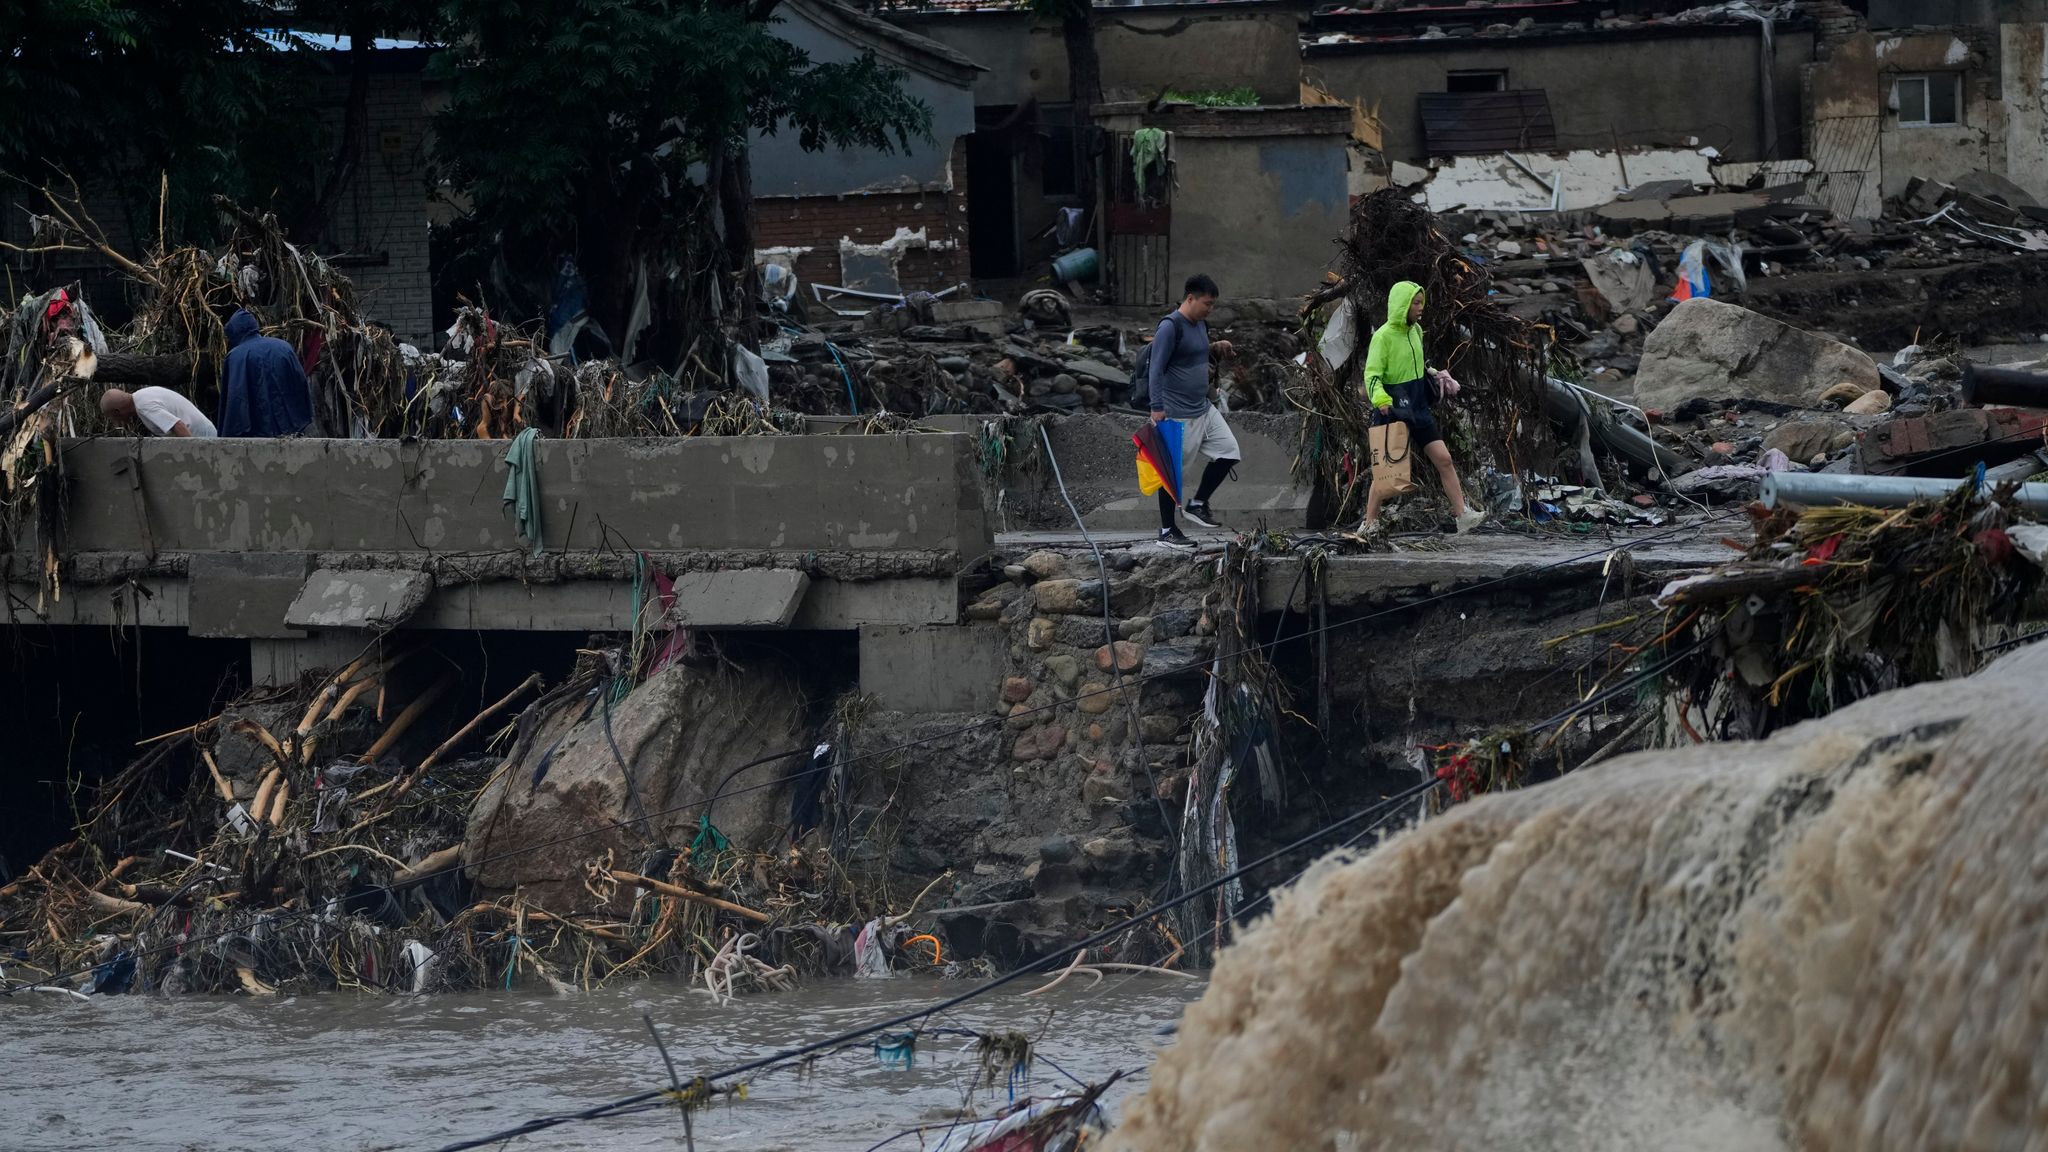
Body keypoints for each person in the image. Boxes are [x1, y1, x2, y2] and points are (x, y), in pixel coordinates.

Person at [1360, 280, 1485, 534]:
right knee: (1386, 472)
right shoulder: (1382, 337)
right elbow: (1372, 375)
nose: (1420, 308)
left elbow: (1416, 364)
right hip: (1392, 409)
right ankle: (1370, 523)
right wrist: (1381, 400)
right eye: (1415, 303)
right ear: (1401, 305)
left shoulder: (1415, 331)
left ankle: (1462, 515)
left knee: (1445, 460)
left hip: (1418, 406)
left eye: (1421, 303)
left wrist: (1436, 374)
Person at [1147, 272, 1238, 550]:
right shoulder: (1169, 326)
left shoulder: (1201, 325)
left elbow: (1193, 353)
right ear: (1190, 298)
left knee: (1229, 451)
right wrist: (1157, 407)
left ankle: (1198, 503)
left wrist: (1214, 348)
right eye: (1207, 303)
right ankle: (1167, 530)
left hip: (1203, 407)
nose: (1210, 309)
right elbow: (1156, 367)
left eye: (1212, 305)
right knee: (1171, 473)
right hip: (1176, 412)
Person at [217, 308, 315, 437]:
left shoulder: (236, 356)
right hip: (291, 429)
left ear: (233, 332)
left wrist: (227, 437)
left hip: (255, 435)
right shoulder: (284, 347)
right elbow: (300, 383)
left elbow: (235, 399)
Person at [100, 386, 217, 438]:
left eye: (112, 417)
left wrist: (194, 455)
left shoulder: (144, 407)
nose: (115, 421)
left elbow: (178, 425)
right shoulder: (143, 395)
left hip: (203, 439)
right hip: (203, 434)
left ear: (117, 412)